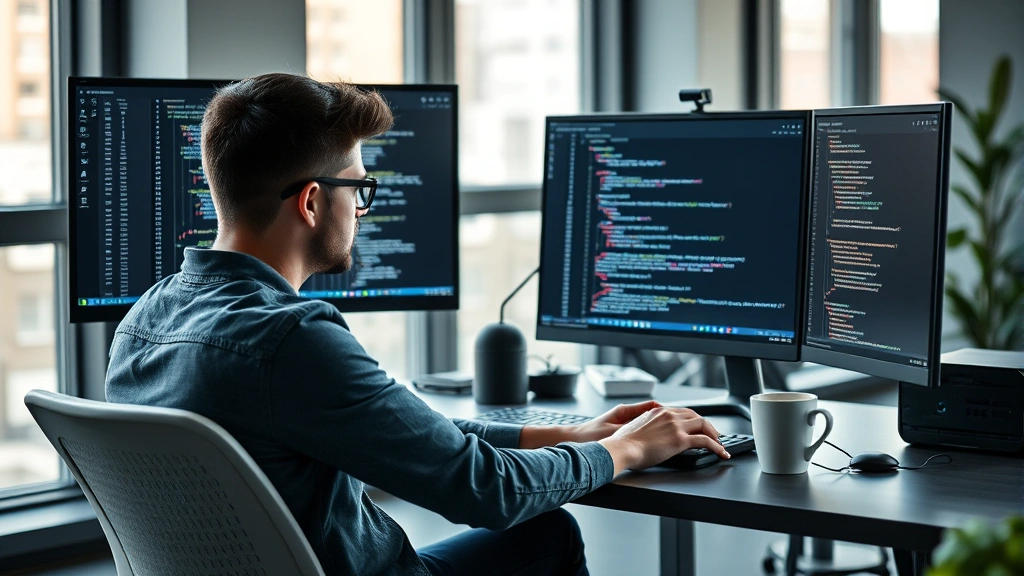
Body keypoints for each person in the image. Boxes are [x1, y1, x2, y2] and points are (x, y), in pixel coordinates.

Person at [105, 73, 730, 576]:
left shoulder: (144, 319)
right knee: (547, 533)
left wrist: (563, 434)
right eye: (360, 187)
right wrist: (625, 450)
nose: (362, 206)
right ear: (313, 201)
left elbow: (402, 433)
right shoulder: (292, 339)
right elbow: (486, 493)